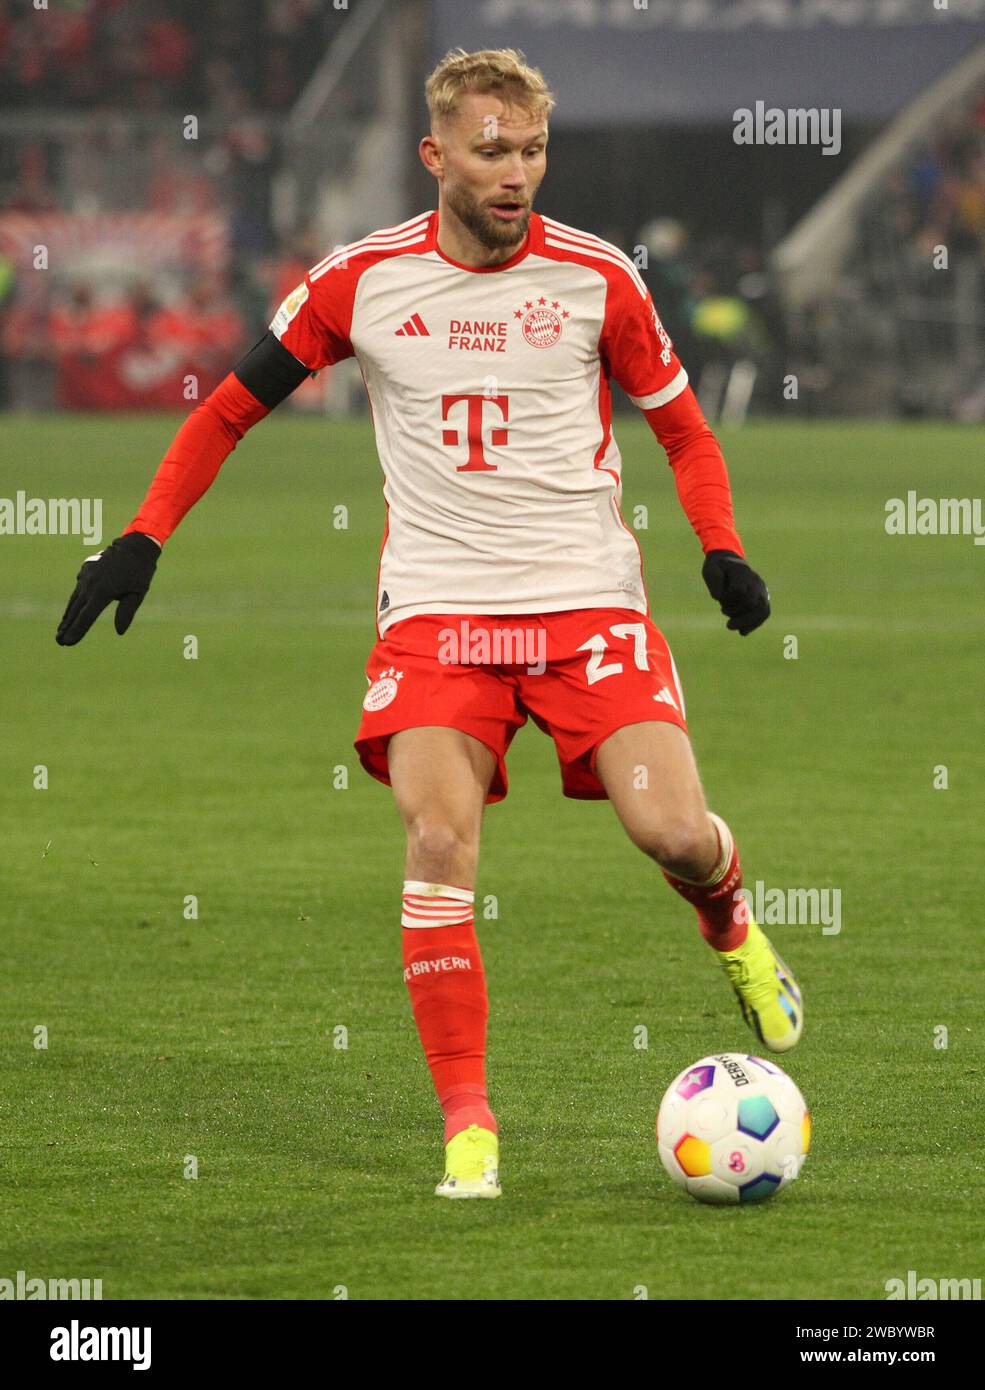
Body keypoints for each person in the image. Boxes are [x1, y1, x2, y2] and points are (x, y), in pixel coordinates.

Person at [56, 47, 802, 1200]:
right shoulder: (359, 282)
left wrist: (721, 547)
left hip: (585, 604)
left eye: (533, 151)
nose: (516, 173)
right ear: (436, 154)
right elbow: (227, 412)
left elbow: (685, 431)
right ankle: (469, 1125)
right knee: (439, 843)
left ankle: (732, 923)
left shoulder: (599, 278)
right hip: (440, 616)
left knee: (673, 832)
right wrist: (144, 535)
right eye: (493, 150)